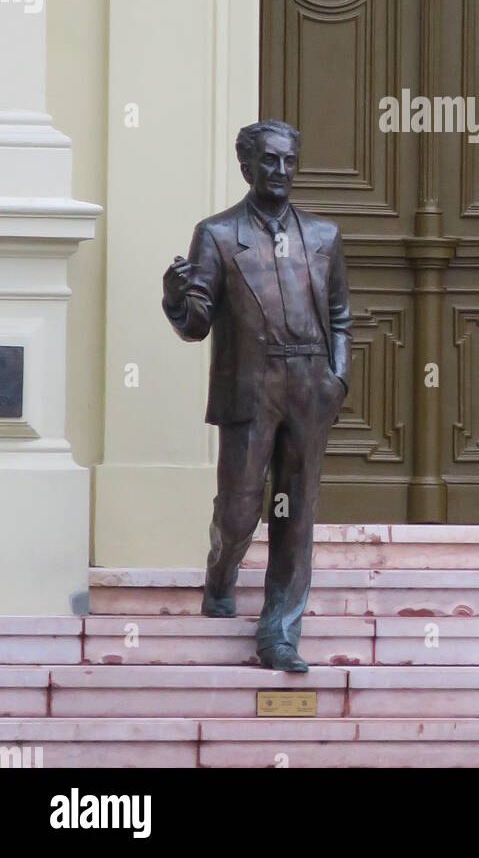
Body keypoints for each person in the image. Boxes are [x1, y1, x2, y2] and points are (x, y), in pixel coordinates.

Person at [162, 120, 351, 672]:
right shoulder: (218, 235)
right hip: (251, 386)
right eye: (270, 160)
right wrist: (176, 300)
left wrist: (337, 378)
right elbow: (197, 324)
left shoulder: (323, 236)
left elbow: (341, 317)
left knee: (297, 512)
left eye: (289, 160)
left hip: (310, 386)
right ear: (246, 166)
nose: (281, 170)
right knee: (240, 510)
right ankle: (221, 574)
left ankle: (280, 633)